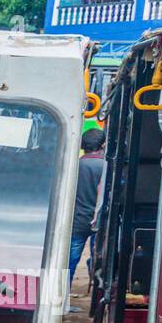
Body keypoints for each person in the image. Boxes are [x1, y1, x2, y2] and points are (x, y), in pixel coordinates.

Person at [69, 126, 106, 294]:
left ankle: (60, 304)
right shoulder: (106, 167)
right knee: (100, 259)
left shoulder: (74, 166)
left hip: (76, 222)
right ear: (103, 145)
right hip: (99, 222)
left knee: (68, 263)